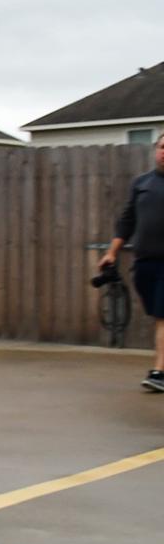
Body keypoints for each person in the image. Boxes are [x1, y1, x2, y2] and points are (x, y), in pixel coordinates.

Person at [99, 132, 164, 392]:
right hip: (145, 263)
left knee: (162, 316)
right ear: (155, 150)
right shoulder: (142, 183)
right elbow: (127, 221)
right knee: (156, 313)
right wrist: (111, 252)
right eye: (162, 147)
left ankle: (160, 372)